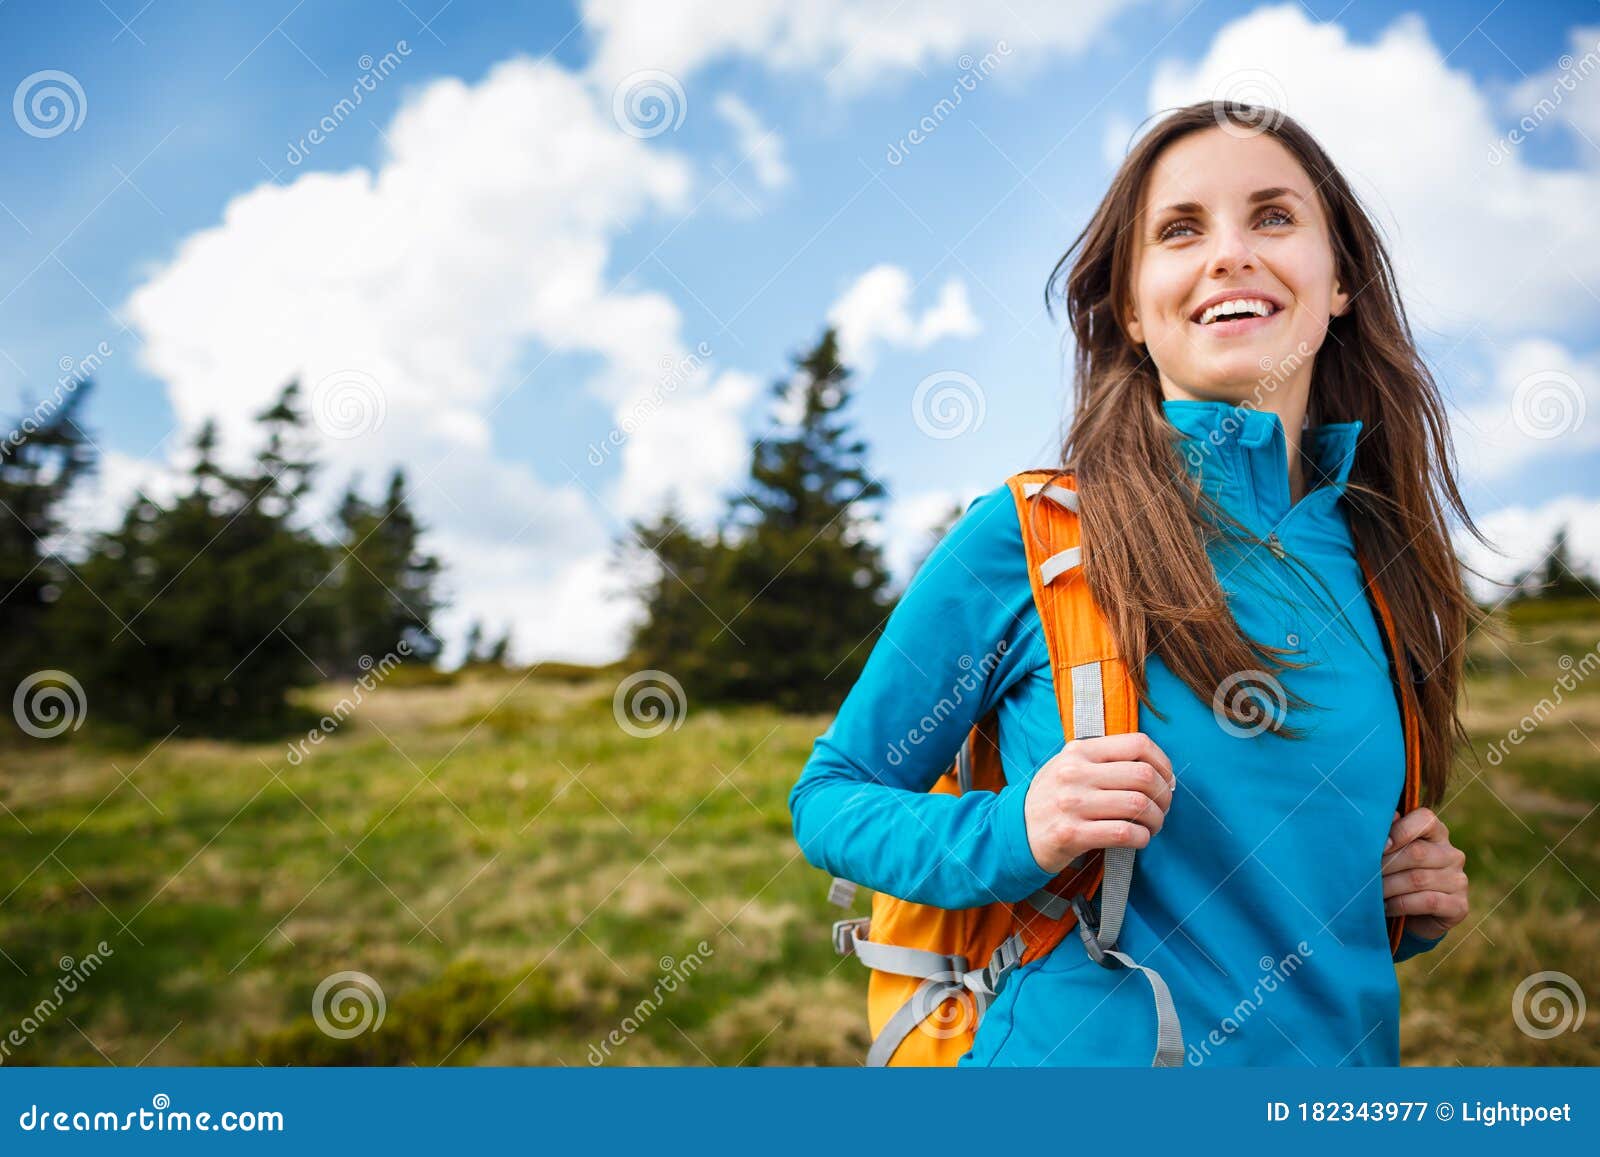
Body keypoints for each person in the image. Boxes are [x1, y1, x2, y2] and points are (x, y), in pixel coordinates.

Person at [788, 101, 1475, 1066]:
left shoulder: (1383, 566)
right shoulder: (1034, 536)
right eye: (1181, 230)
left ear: (1341, 284)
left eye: (1273, 217)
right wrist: (1014, 829)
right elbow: (830, 798)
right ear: (1135, 312)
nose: (1230, 253)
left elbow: (1282, 892)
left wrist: (1405, 904)